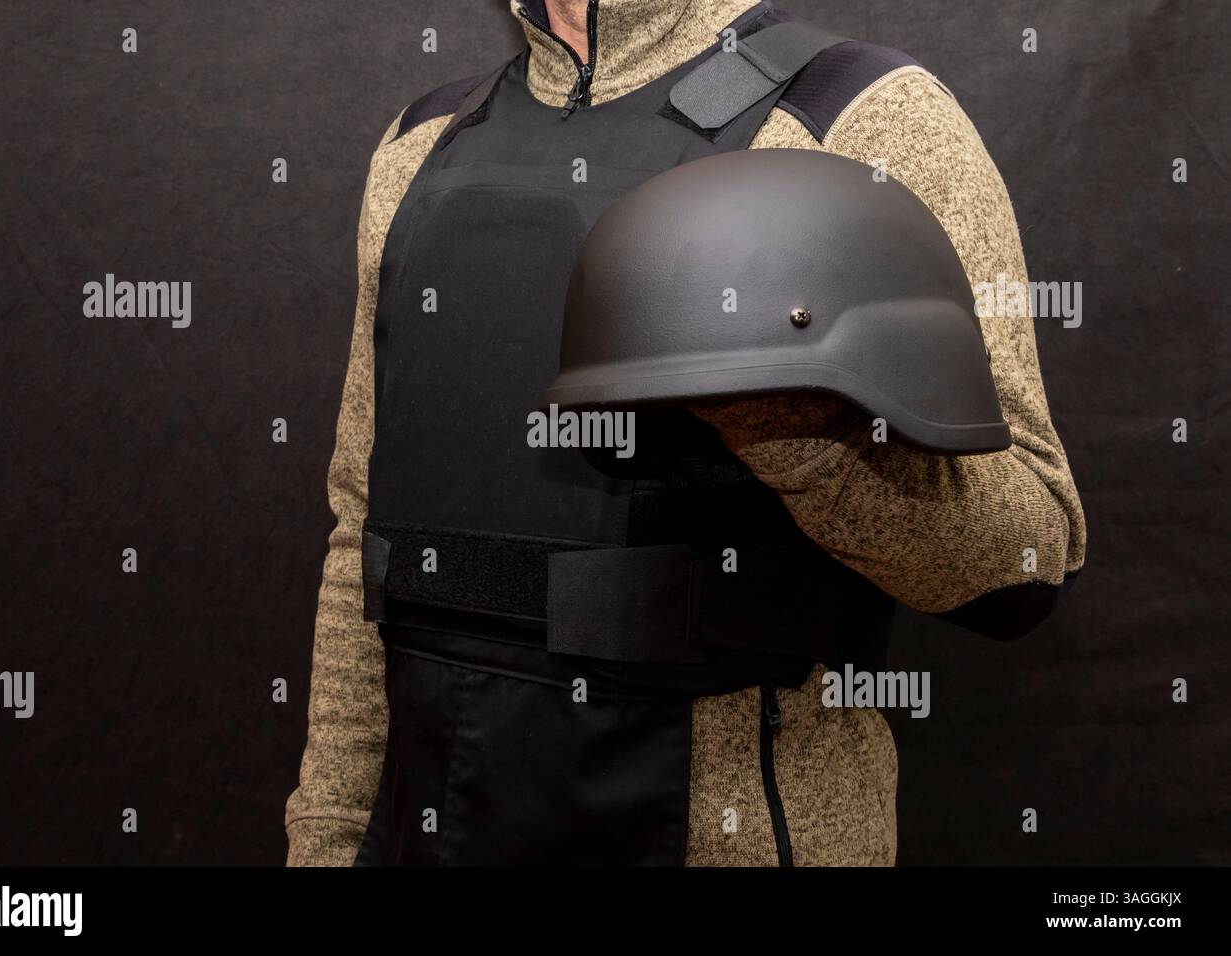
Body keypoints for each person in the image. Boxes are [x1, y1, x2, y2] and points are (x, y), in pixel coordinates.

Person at [285, 0, 1086, 867]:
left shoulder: (861, 115)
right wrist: (326, 837)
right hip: (432, 828)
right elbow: (361, 540)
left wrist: (789, 423)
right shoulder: (421, 147)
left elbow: (1028, 564)